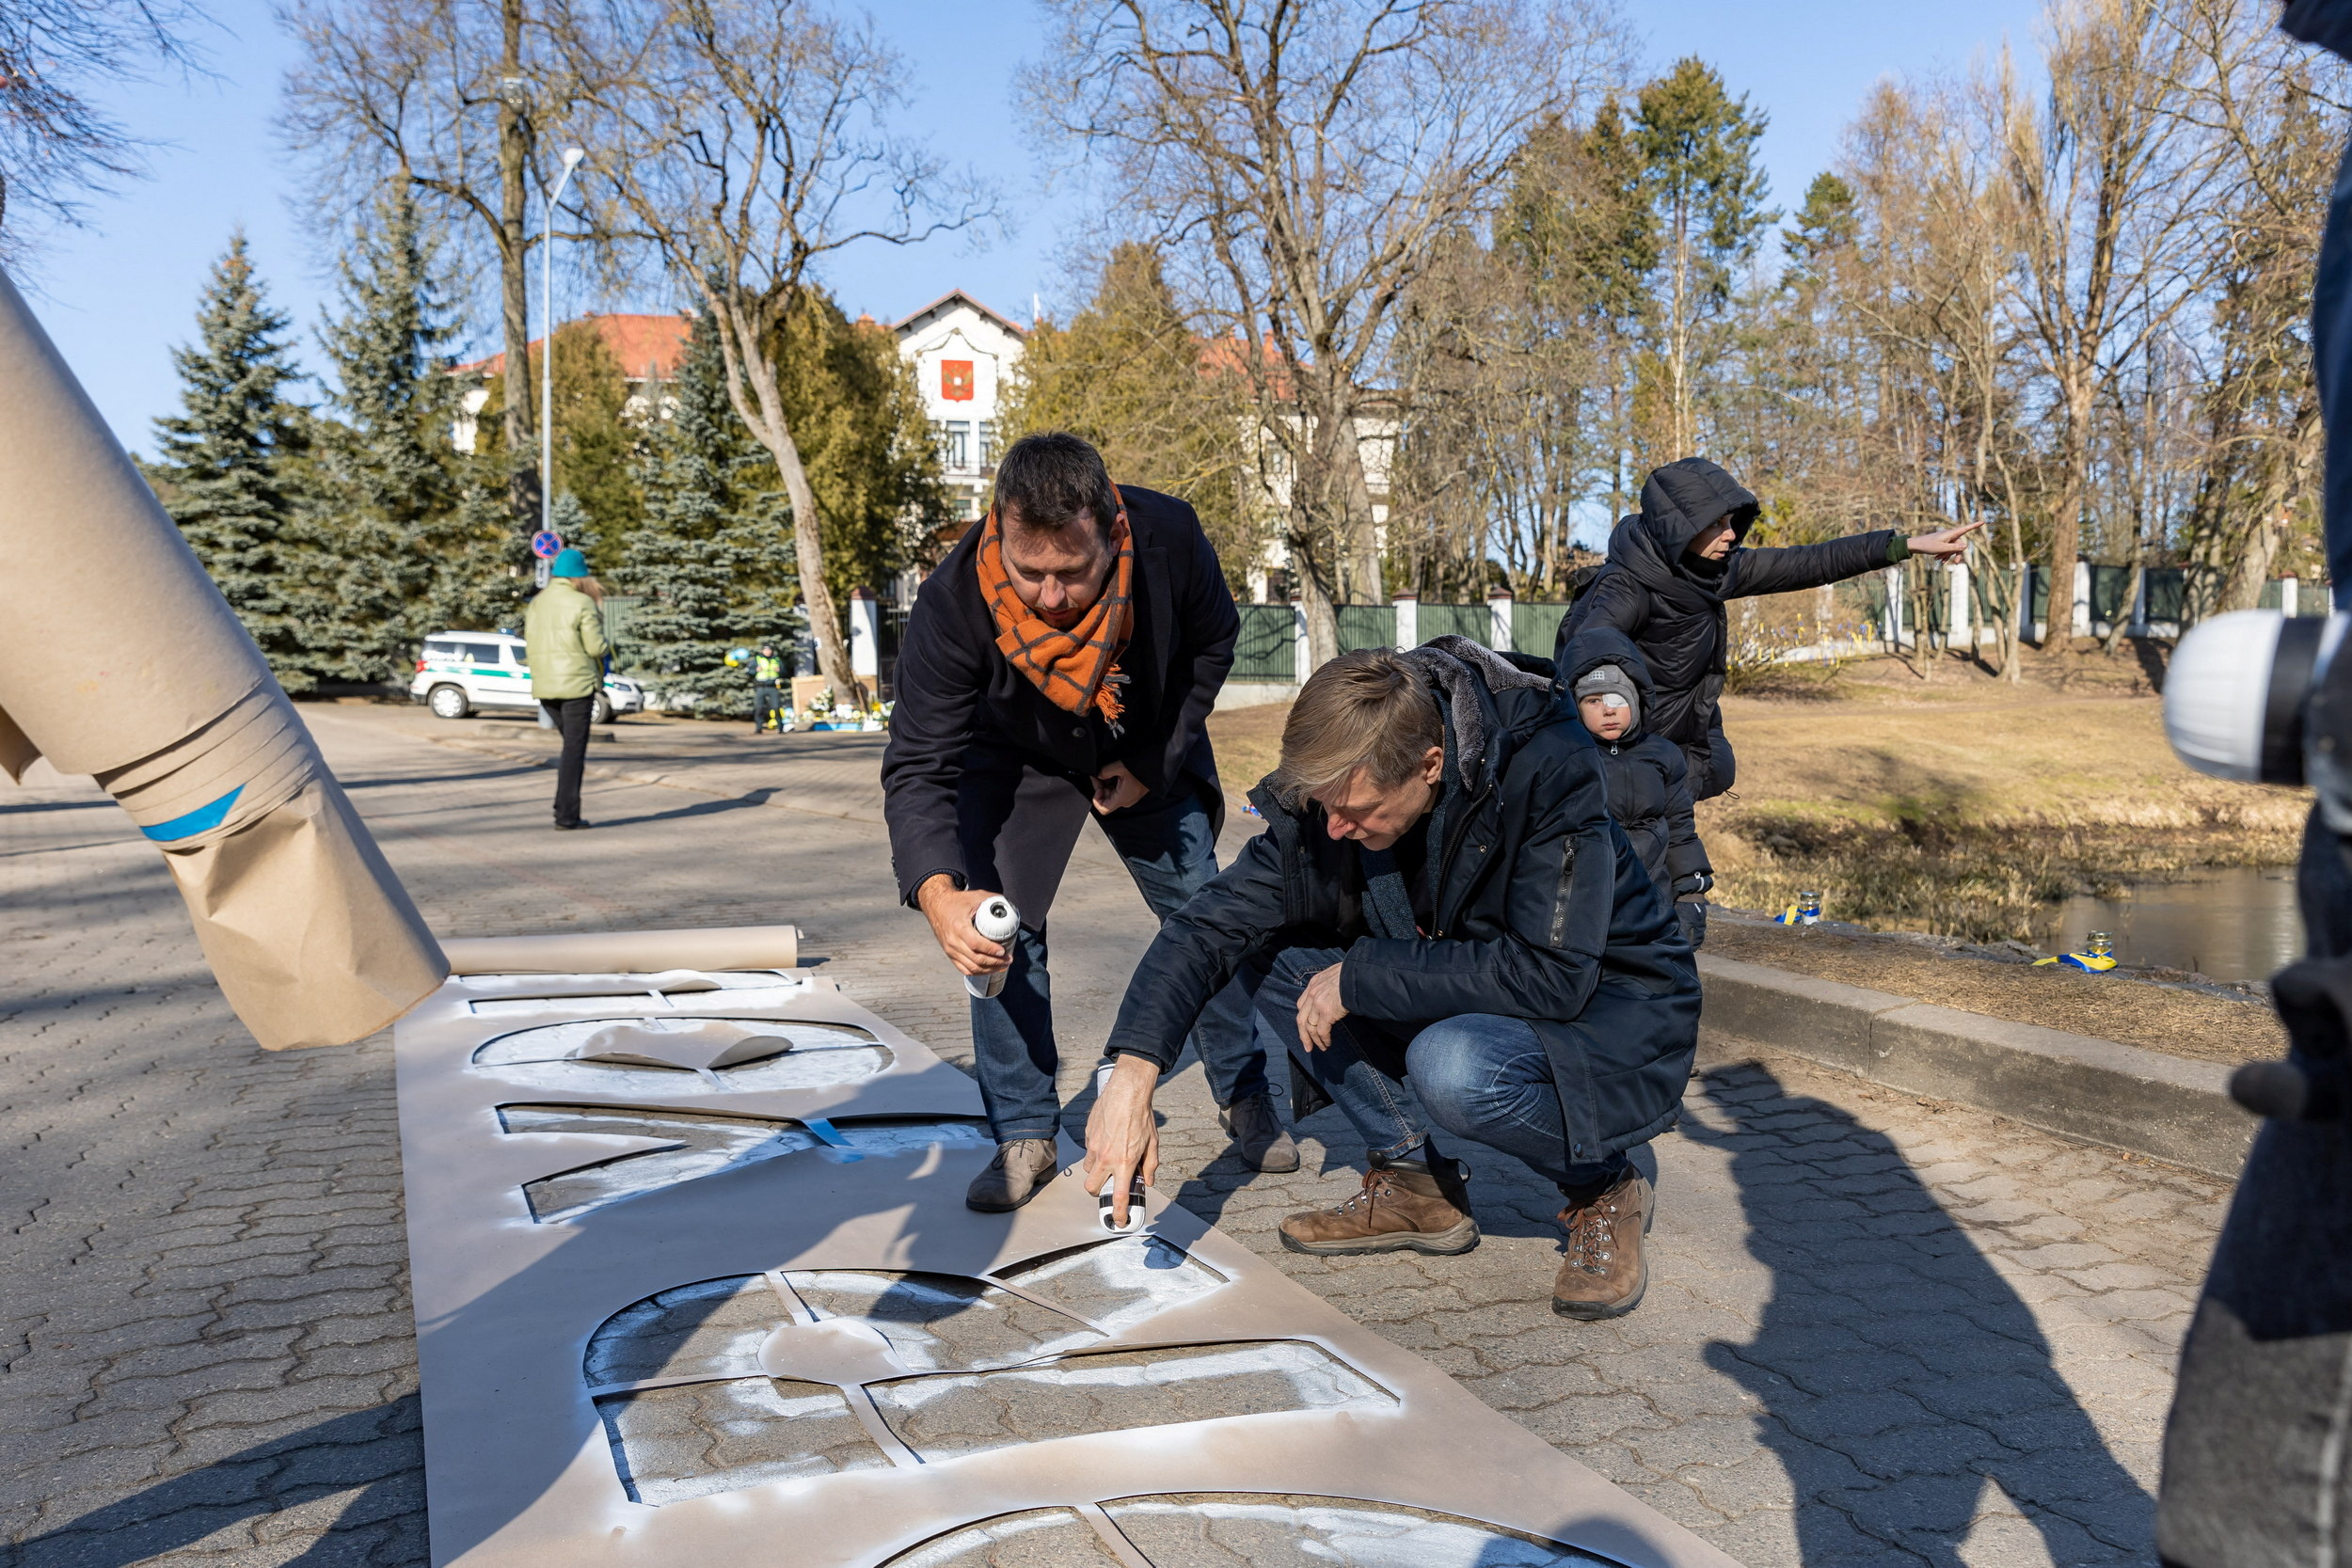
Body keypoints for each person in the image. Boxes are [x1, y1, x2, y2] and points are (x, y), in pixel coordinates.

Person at [1082, 641, 1702, 1320]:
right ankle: (1415, 1185)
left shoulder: (1548, 768)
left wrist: (1362, 975)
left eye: (1357, 810)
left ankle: (1605, 1183)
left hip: (1611, 1000)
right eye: (1325, 807)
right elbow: (1205, 928)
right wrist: (1131, 1077)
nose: (1337, 829)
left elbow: (1551, 973)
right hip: (1479, 974)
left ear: (1430, 765)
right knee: (1266, 946)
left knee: (1453, 1067)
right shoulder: (1335, 800)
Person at [882, 432, 1295, 1212]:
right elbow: (918, 764)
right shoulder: (950, 600)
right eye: (1028, 571)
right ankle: (1024, 1133)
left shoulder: (1170, 536)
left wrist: (1153, 760)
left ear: (1111, 529)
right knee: (999, 933)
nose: (1049, 595)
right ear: (999, 526)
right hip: (1015, 759)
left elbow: (1213, 642)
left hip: (1139, 744)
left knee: (1204, 913)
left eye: (1071, 572)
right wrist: (940, 895)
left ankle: (1246, 1094)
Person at [1558, 457, 1980, 802]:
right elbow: (1588, 657)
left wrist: (1907, 545)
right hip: (1627, 765)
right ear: (1677, 529)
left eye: (1730, 521)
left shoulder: (1716, 569)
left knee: (1675, 882)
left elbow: (1809, 562)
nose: (1729, 535)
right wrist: (1623, 752)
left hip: (1675, 751)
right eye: (1714, 524)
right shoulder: (1626, 584)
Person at [1561, 628, 1711, 947]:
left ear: (1635, 699)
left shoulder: (1663, 754)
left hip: (1654, 904)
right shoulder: (1566, 757)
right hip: (1587, 908)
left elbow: (1680, 828)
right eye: (1594, 700)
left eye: (1617, 698)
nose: (1608, 710)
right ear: (1575, 706)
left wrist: (1691, 894)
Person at [524, 547, 608, 832]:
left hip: (545, 686)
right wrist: (608, 642)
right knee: (574, 751)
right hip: (576, 685)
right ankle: (567, 815)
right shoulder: (582, 602)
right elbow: (596, 647)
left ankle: (563, 809)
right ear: (580, 576)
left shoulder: (538, 602)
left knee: (569, 748)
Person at [751, 644, 787, 736]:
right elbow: (749, 671)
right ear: (762, 651)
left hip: (773, 686)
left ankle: (780, 728)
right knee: (759, 708)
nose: (768, 652)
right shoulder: (757, 659)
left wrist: (780, 670)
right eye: (766, 650)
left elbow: (784, 671)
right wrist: (756, 670)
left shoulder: (776, 659)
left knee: (776, 707)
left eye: (769, 650)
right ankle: (758, 728)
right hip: (760, 687)